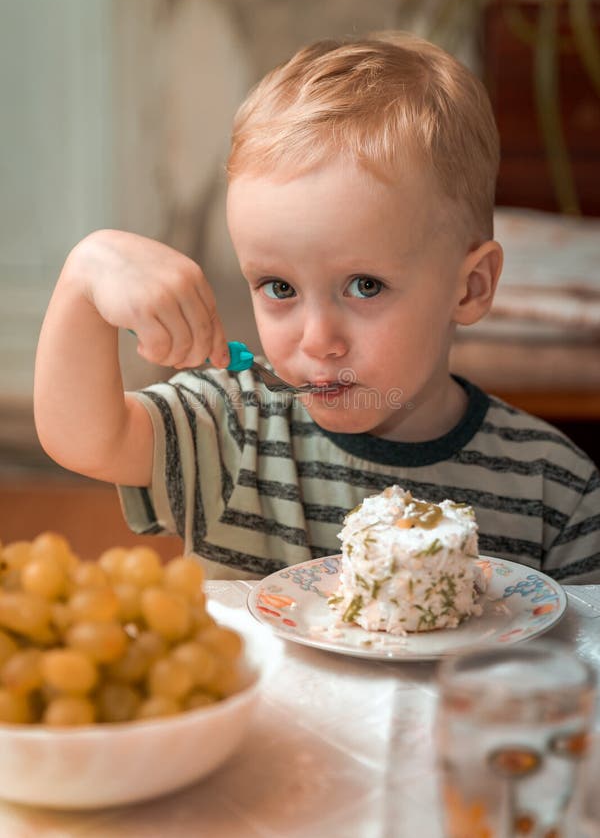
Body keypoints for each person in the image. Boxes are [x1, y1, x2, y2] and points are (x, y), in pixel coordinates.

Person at [34, 32, 600, 583]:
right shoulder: (234, 426)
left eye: (365, 286)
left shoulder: (558, 492)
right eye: (280, 289)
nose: (317, 339)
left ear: (471, 287)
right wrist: (86, 271)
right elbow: (86, 439)